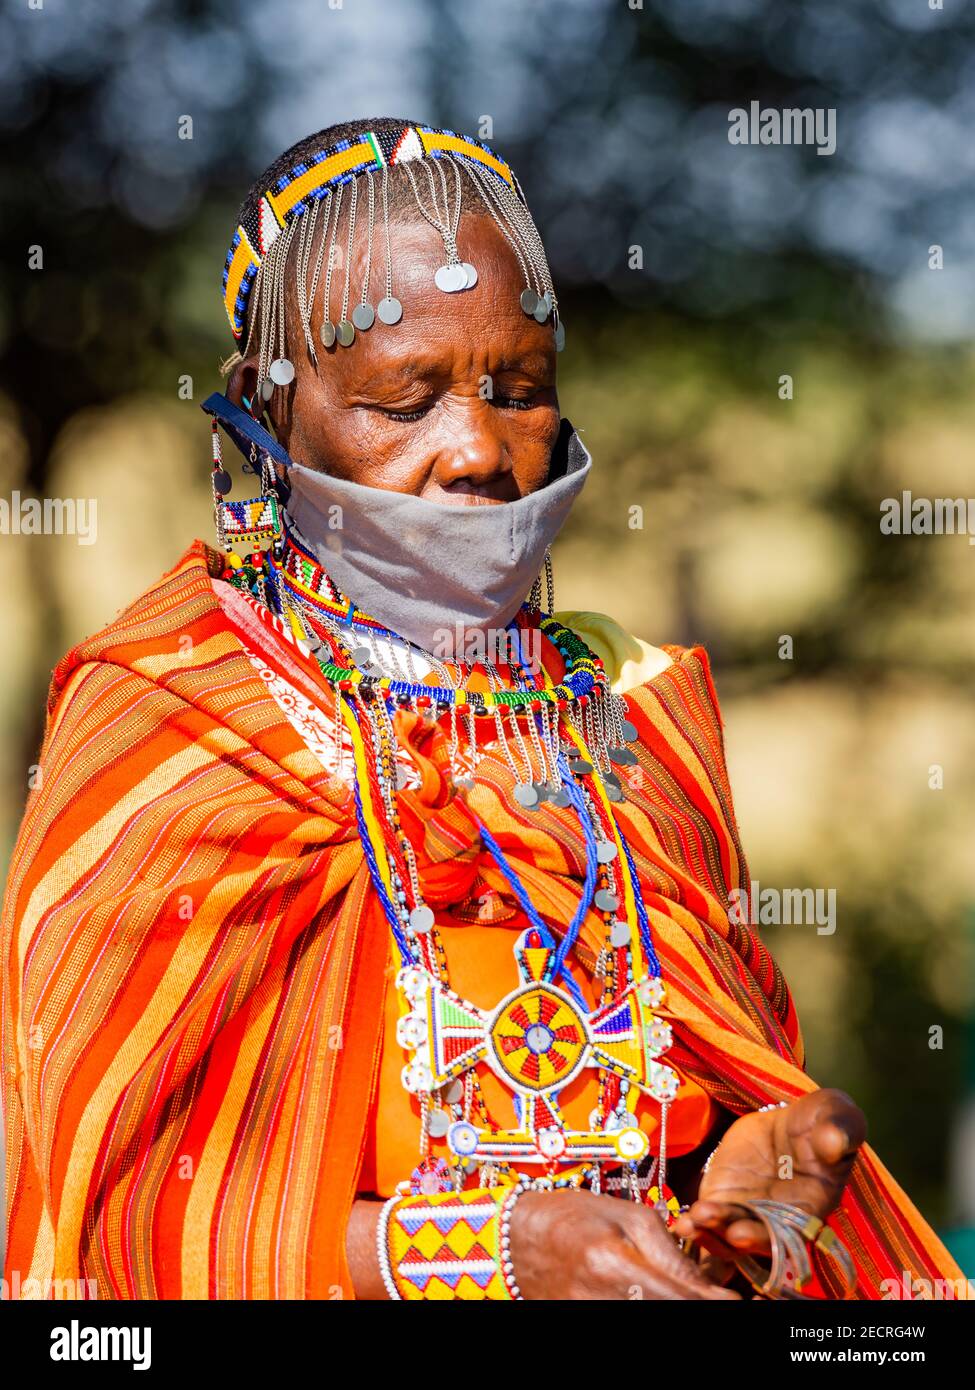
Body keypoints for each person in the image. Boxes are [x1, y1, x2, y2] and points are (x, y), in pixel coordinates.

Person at [1, 116, 966, 1301]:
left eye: (520, 389)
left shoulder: (626, 705)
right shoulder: (170, 721)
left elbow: (688, 1077)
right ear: (265, 409)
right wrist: (488, 1255)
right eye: (405, 402)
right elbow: (134, 1205)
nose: (477, 452)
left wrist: (736, 1173)